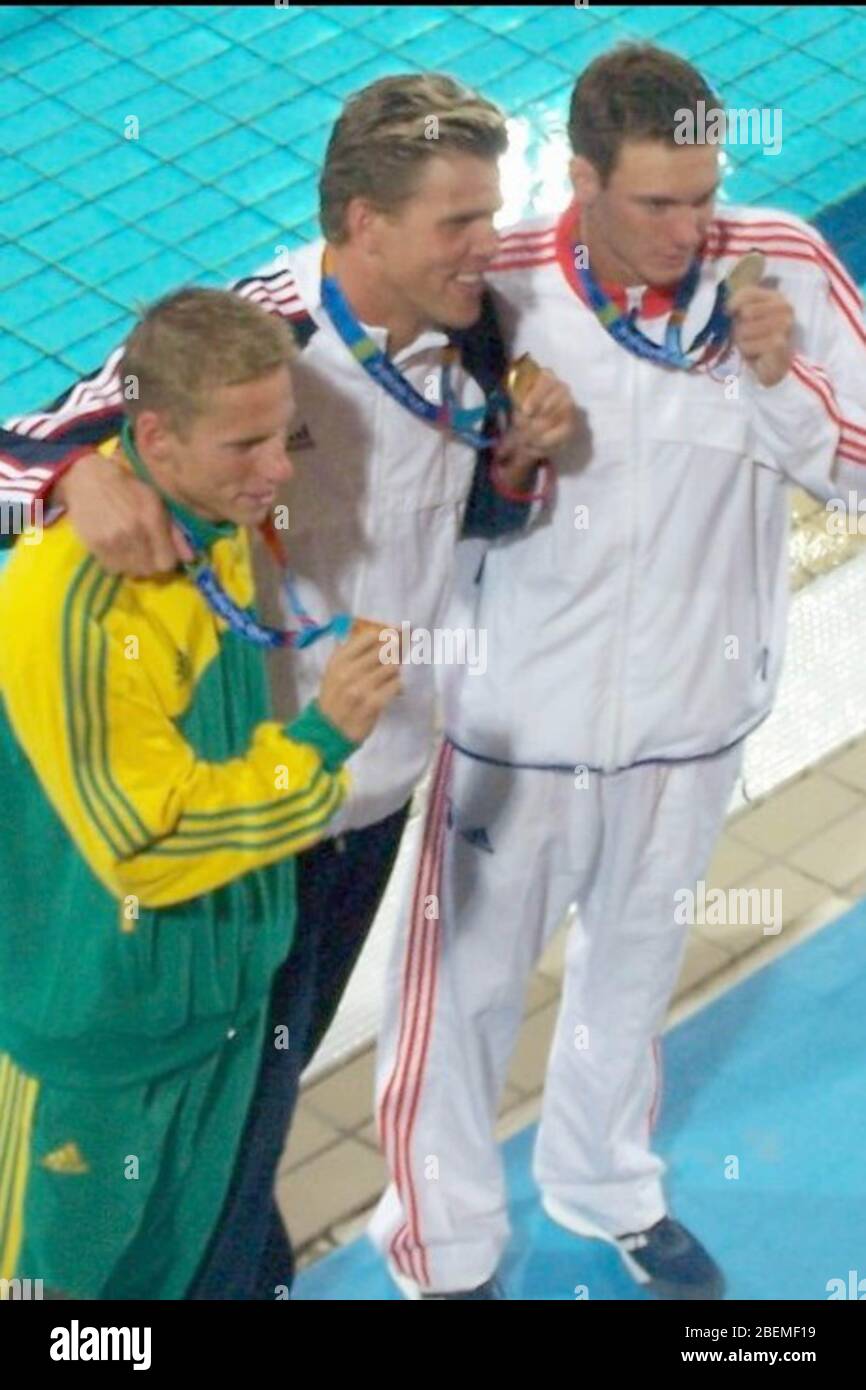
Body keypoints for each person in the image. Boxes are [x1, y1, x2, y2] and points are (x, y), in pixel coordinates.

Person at [0, 75, 578, 1297]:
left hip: (362, 805)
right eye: (458, 222)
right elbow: (13, 456)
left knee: (251, 1111)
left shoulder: (477, 332)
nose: (492, 243)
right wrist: (64, 487)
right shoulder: (261, 343)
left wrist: (519, 468)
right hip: (237, 828)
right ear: (363, 222)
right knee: (197, 1135)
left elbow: (464, 525)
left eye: (492, 211)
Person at [369, 42, 866, 1300]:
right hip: (509, 736)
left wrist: (778, 381)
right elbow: (415, 499)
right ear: (578, 176)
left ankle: (606, 1190)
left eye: (702, 195)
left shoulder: (782, 270)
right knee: (456, 1009)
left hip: (689, 729)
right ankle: (445, 1257)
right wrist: (508, 460)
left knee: (630, 977)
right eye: (654, 202)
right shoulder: (497, 293)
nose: (688, 228)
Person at [0, 287, 404, 1298]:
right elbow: (150, 839)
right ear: (156, 438)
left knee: (165, 1286)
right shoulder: (76, 601)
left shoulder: (206, 522)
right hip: (92, 1044)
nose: (275, 472)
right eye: (244, 447)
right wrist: (320, 743)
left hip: (209, 1012)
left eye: (282, 437)